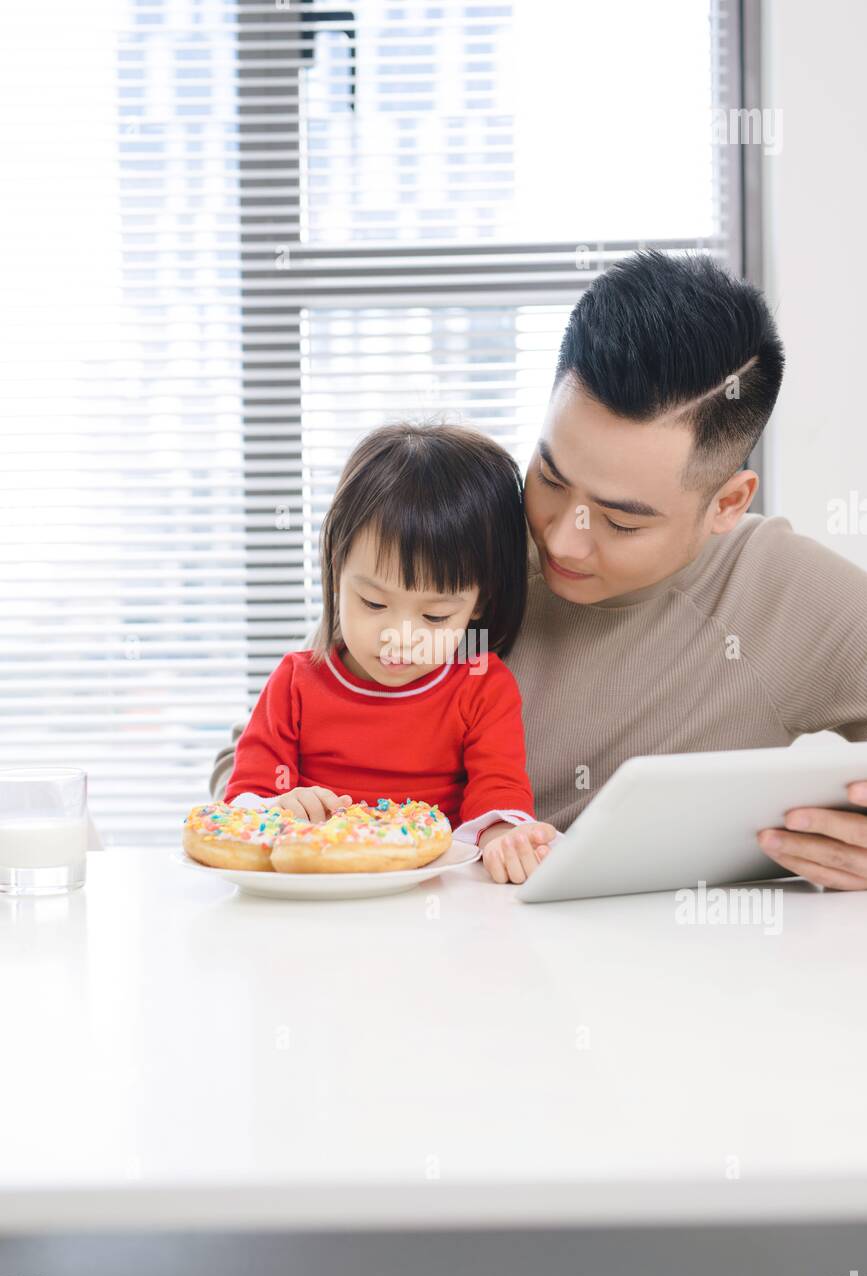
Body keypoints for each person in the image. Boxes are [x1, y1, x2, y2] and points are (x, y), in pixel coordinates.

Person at [212, 251, 867, 889]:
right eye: (550, 478)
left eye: (621, 521)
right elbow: (246, 764)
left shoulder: (783, 593)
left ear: (725, 503)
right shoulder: (464, 552)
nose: (560, 540)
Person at [220, 422, 555, 884]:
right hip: (319, 887)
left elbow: (497, 788)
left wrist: (502, 835)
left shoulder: (482, 683)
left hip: (433, 889)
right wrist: (276, 808)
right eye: (374, 604)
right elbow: (247, 794)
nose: (400, 636)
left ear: (478, 604)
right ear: (337, 569)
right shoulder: (296, 681)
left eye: (436, 616)